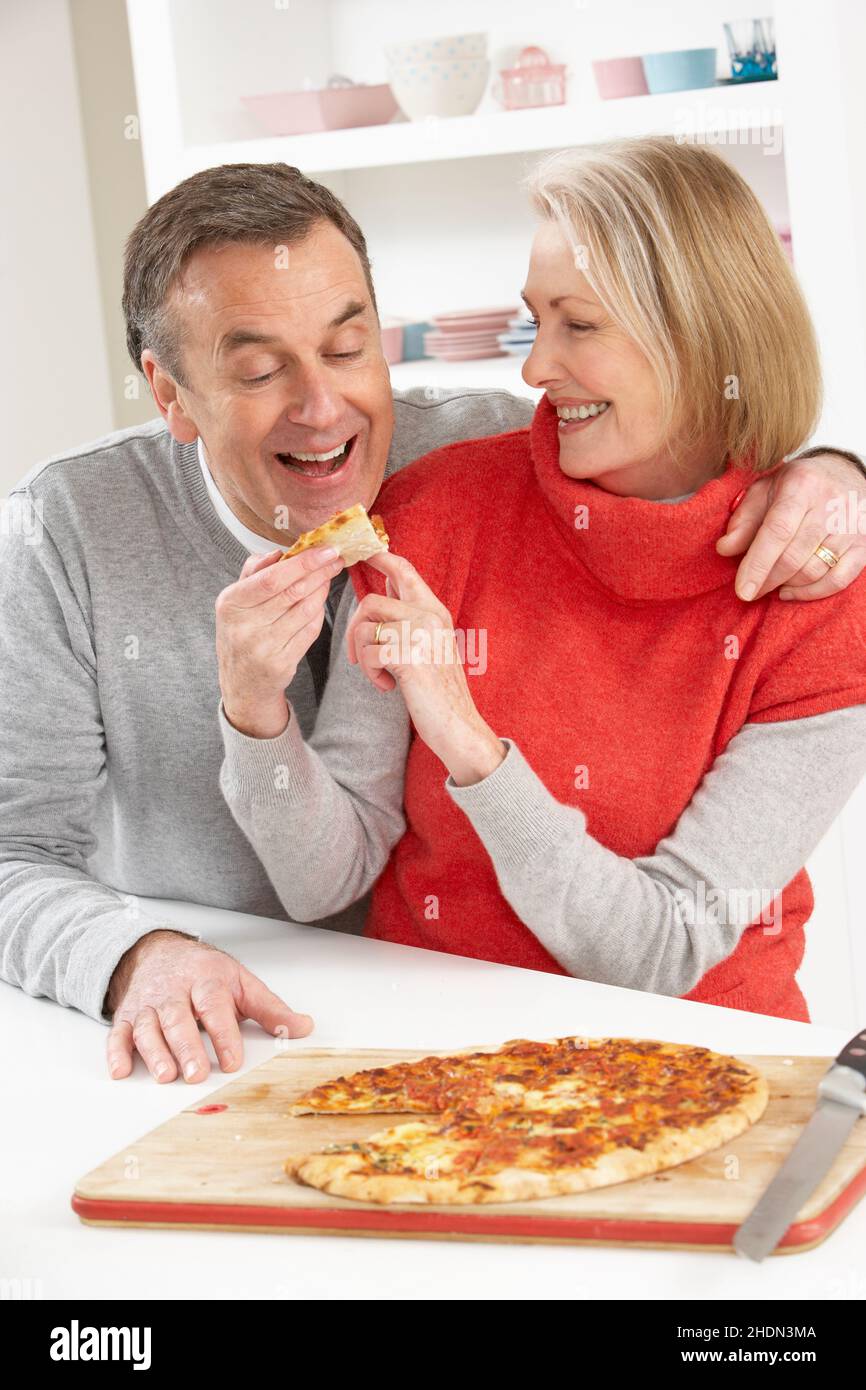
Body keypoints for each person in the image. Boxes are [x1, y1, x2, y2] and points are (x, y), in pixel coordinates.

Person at [0, 164, 862, 1084]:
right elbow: (20, 853)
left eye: (347, 349)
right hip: (294, 1029)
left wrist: (840, 471)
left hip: (681, 1059)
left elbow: (694, 446)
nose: (322, 409)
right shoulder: (70, 528)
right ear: (169, 394)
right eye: (257, 371)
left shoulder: (469, 460)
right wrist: (141, 942)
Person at [218, 138, 866, 1023]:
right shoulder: (437, 509)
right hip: (431, 1050)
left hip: (701, 1068)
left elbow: (660, 948)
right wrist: (254, 713)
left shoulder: (820, 597)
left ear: (704, 334)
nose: (532, 369)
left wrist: (466, 738)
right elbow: (324, 877)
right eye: (535, 322)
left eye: (581, 324)